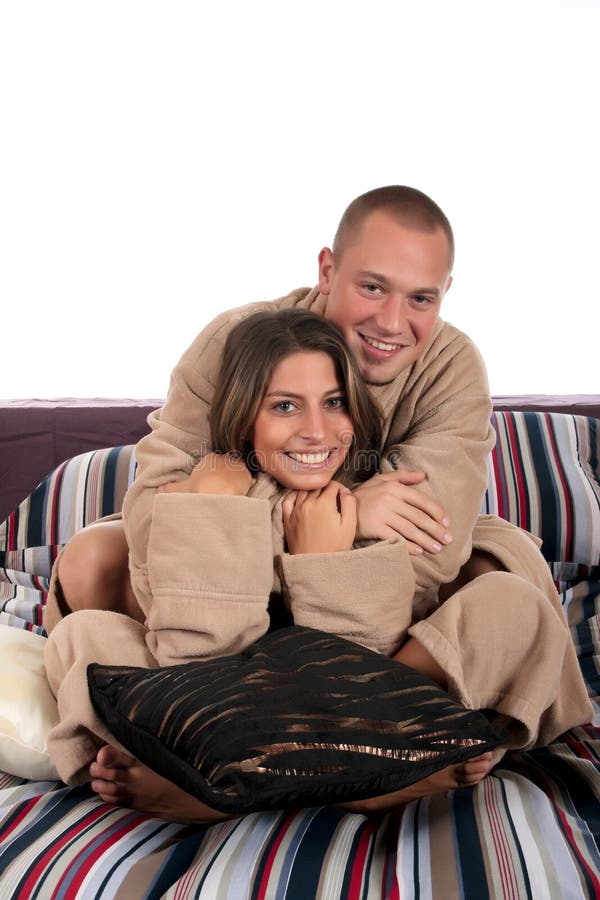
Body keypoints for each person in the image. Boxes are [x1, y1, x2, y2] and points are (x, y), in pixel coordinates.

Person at [44, 185, 592, 820]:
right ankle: (383, 763)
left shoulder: (451, 364)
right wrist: (317, 519)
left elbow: (429, 549)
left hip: (370, 598)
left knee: (502, 590)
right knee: (91, 562)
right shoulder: (234, 341)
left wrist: (301, 531)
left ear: (445, 294)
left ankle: (221, 783)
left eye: (421, 298)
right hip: (229, 581)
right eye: (373, 287)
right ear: (328, 270)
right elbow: (158, 504)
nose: (392, 323)